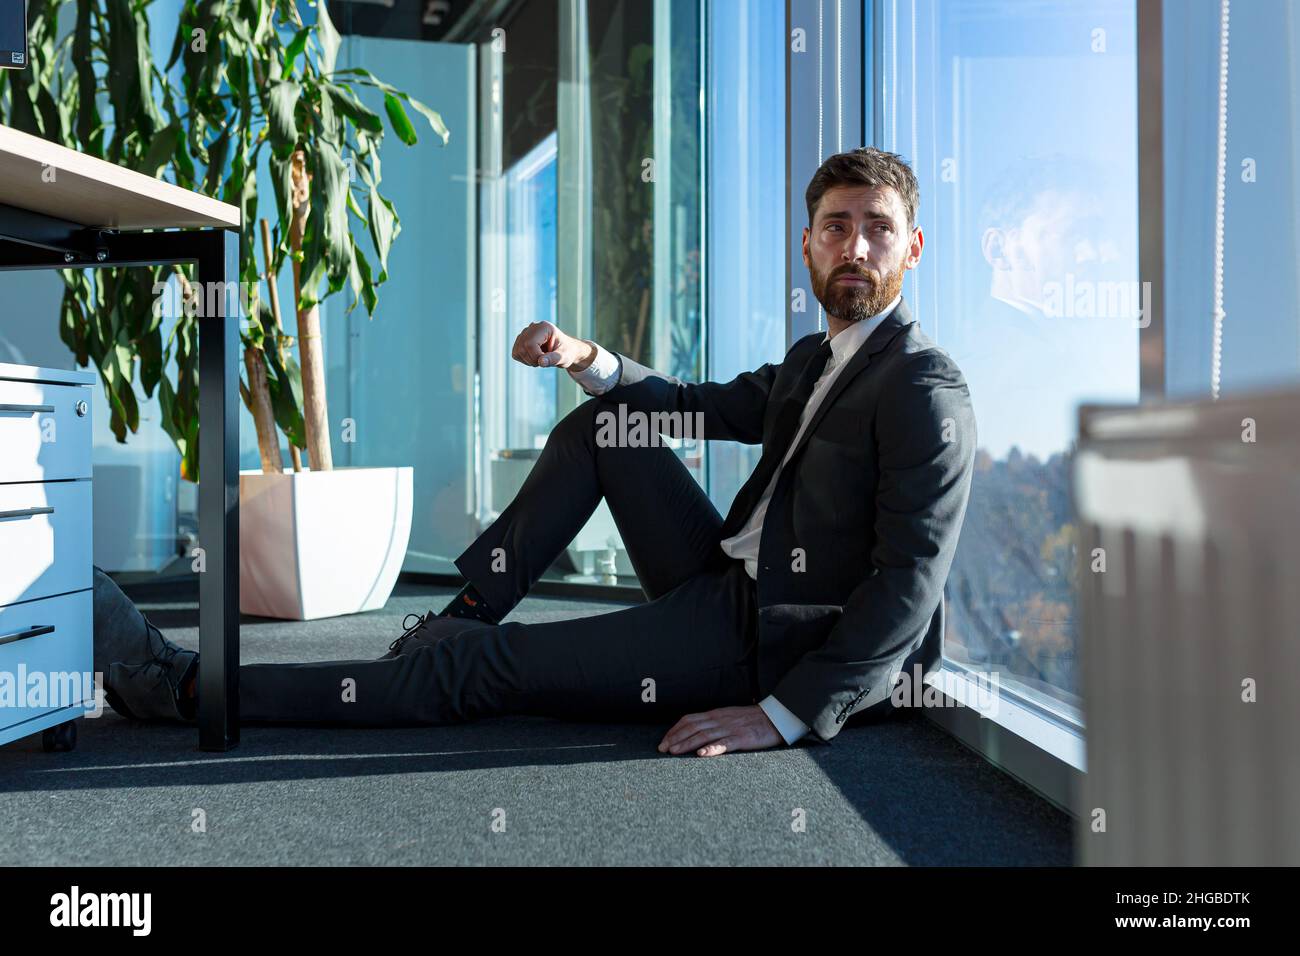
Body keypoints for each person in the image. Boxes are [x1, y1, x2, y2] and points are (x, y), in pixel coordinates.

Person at [98, 147, 977, 757]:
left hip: (770, 646)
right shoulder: (815, 358)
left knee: (481, 675)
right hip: (729, 580)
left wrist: (783, 715)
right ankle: (469, 609)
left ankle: (182, 686)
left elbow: (908, 585)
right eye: (835, 226)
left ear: (913, 247)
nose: (854, 247)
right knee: (610, 427)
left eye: (877, 228)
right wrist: (583, 357)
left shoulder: (922, 387)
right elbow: (692, 406)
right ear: (808, 245)